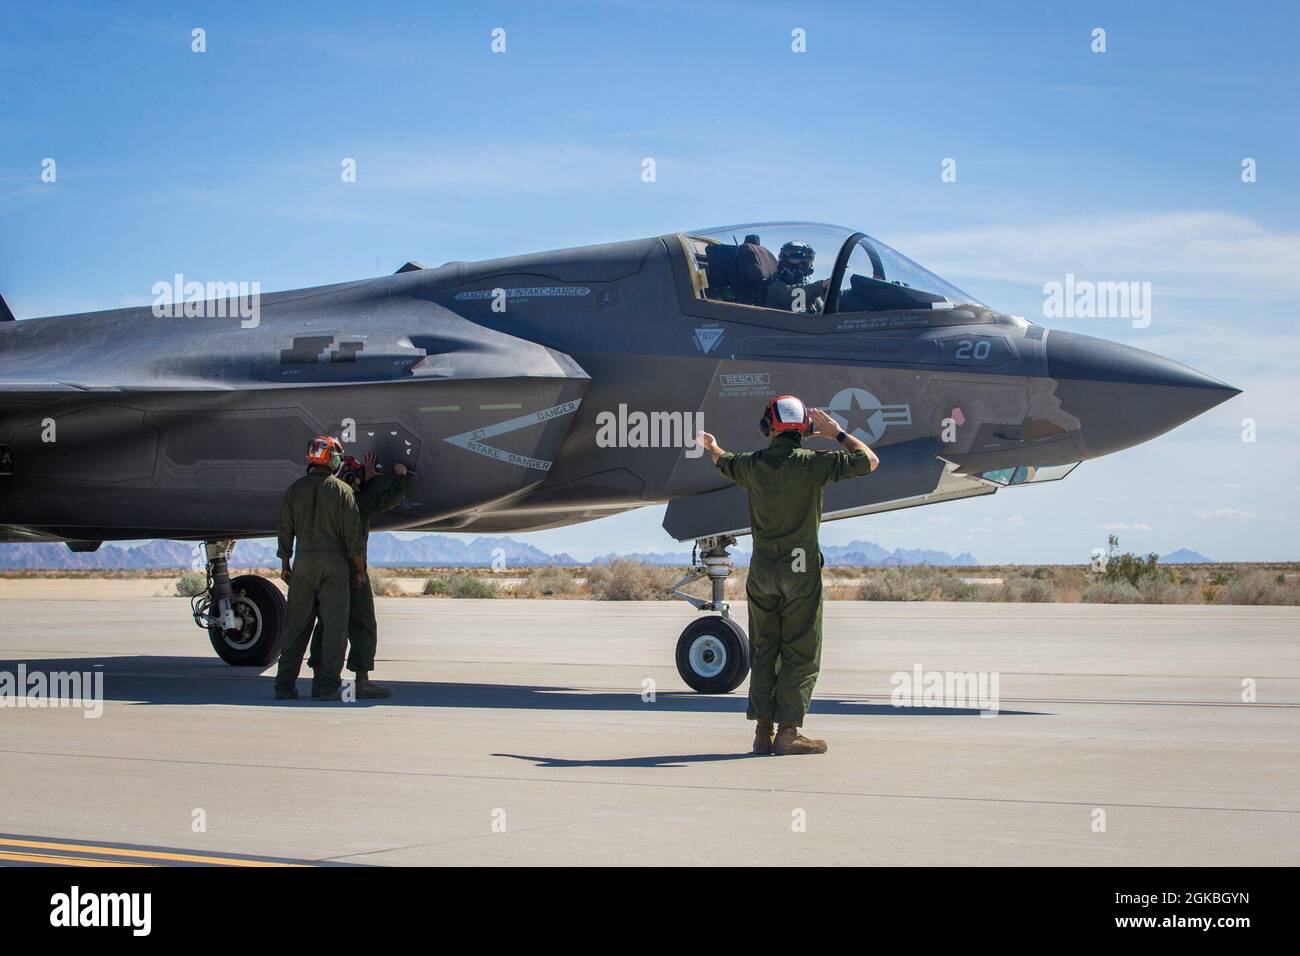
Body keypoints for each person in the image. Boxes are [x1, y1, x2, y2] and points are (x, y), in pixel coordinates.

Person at [697, 396, 879, 755]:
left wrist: (712, 445)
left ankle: (763, 732)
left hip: (763, 572)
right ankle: (788, 732)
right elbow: (868, 461)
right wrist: (837, 433)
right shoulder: (814, 464)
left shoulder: (752, 465)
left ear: (768, 428)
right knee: (800, 651)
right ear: (805, 430)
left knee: (765, 649)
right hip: (800, 571)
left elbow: (722, 459)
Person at [306, 452, 410, 699]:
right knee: (362, 623)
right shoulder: (356, 504)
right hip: (353, 573)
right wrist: (402, 478)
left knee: (326, 623)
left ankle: (319, 680)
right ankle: (361, 681)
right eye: (357, 476)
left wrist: (368, 477)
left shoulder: (321, 502)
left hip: (324, 572)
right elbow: (388, 499)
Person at [273, 436, 366, 702]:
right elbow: (353, 538)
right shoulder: (342, 491)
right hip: (334, 566)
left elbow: (284, 530)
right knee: (335, 629)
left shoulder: (294, 490)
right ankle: (327, 688)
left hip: (302, 565)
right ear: (331, 458)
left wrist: (286, 564)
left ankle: (284, 686)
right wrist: (359, 570)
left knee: (296, 628)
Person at [764, 241, 831, 314]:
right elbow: (796, 294)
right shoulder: (775, 288)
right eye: (795, 260)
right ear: (785, 261)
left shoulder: (811, 292)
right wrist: (822, 285)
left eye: (806, 263)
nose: (801, 266)